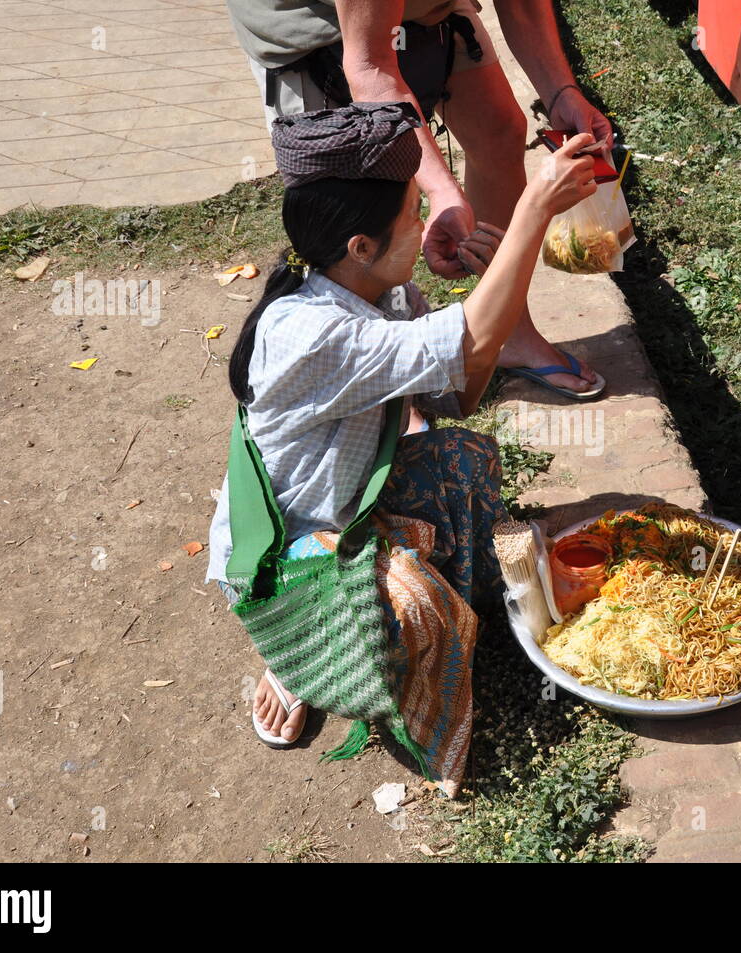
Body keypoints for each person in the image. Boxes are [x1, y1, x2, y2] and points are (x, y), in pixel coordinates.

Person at [205, 102, 598, 794]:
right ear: (360, 246)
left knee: (465, 457)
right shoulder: (311, 332)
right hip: (288, 554)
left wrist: (484, 281)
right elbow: (471, 341)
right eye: (416, 216)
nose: (428, 226)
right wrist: (532, 215)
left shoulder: (376, 290)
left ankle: (442, 602)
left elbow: (460, 393)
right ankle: (296, 651)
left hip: (354, 505)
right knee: (415, 604)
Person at [225, 0, 609, 401]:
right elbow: (372, 68)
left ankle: (508, 333)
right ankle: (387, 387)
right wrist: (443, 195)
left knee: (499, 132)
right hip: (320, 27)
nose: (420, 223)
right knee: (353, 197)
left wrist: (561, 92)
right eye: (417, 218)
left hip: (421, 12)